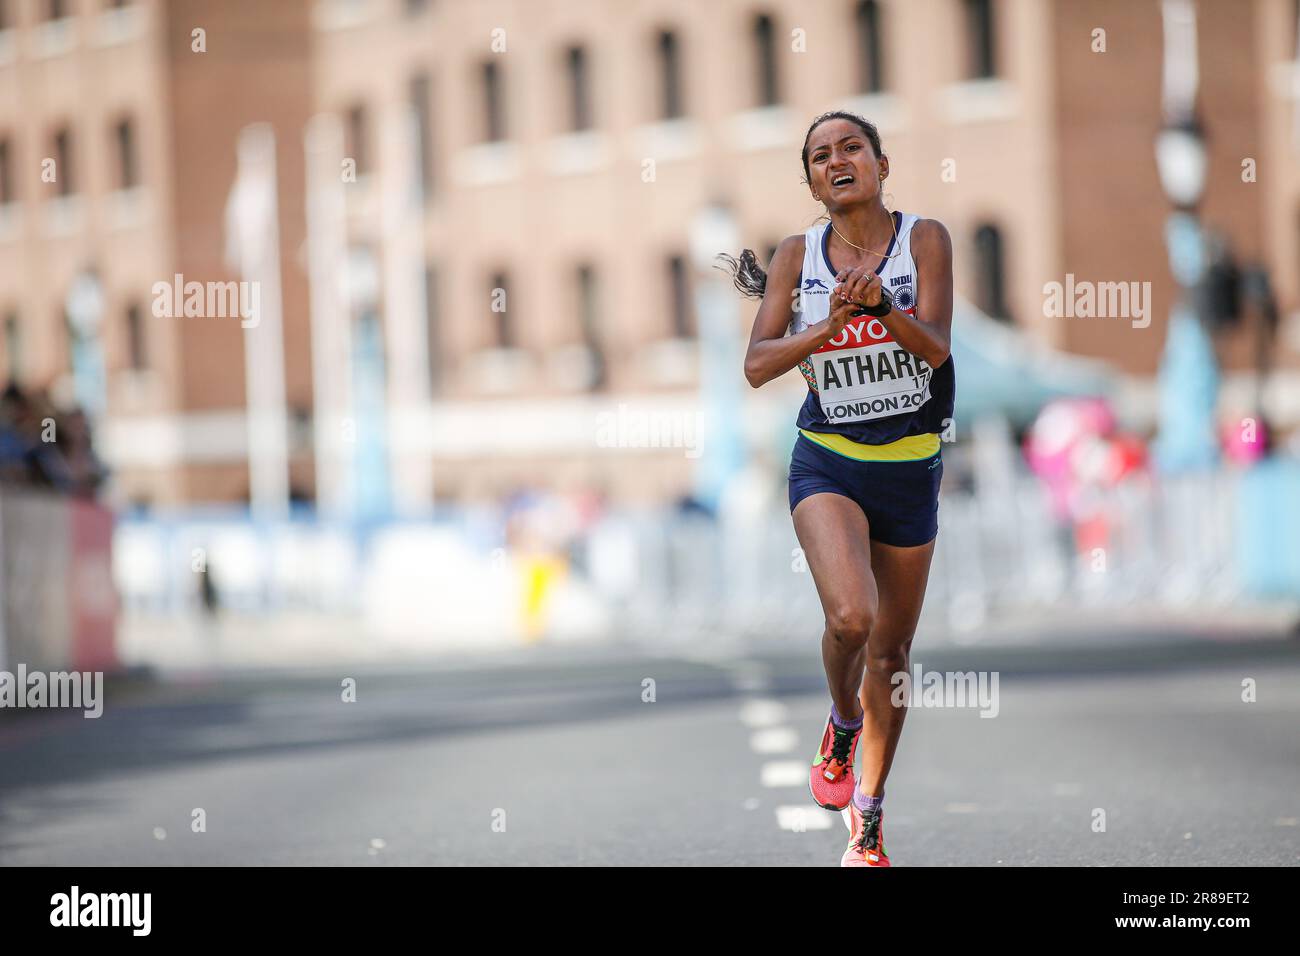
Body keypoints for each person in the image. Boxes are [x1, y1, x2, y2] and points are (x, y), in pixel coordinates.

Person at [722, 111, 956, 867]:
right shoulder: (798, 256)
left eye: (850, 147)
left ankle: (870, 816)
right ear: (813, 182)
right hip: (828, 459)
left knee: (890, 654)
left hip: (912, 466)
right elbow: (757, 365)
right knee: (851, 617)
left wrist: (886, 307)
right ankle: (841, 725)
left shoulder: (925, 240)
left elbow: (938, 349)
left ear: (881, 163)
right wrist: (828, 325)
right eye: (821, 156)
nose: (837, 160)